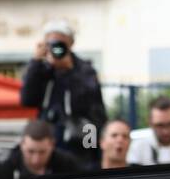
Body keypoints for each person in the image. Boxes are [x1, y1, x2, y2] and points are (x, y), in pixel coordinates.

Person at [20, 20, 106, 164]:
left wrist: (69, 71)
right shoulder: (42, 69)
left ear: (71, 44)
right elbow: (27, 100)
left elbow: (86, 103)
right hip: (51, 137)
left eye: (61, 44)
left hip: (83, 137)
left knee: (85, 172)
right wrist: (36, 63)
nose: (57, 48)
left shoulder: (85, 70)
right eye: (52, 43)